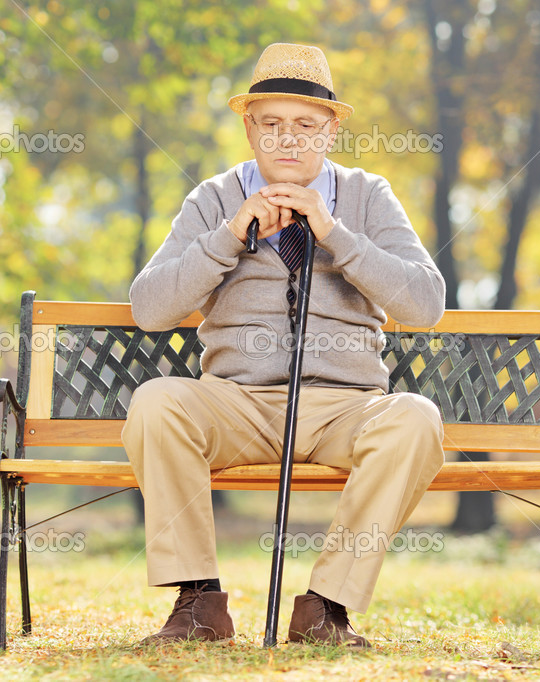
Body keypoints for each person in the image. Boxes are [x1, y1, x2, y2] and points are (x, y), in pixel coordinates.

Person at [123, 43, 446, 649]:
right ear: (249, 129)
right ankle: (198, 604)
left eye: (305, 126)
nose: (288, 140)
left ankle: (327, 608)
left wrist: (334, 234)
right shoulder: (213, 198)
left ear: (331, 130)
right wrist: (228, 237)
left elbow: (425, 304)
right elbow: (150, 308)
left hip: (345, 407)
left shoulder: (367, 196)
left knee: (416, 418)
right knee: (157, 401)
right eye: (271, 125)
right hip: (236, 403)